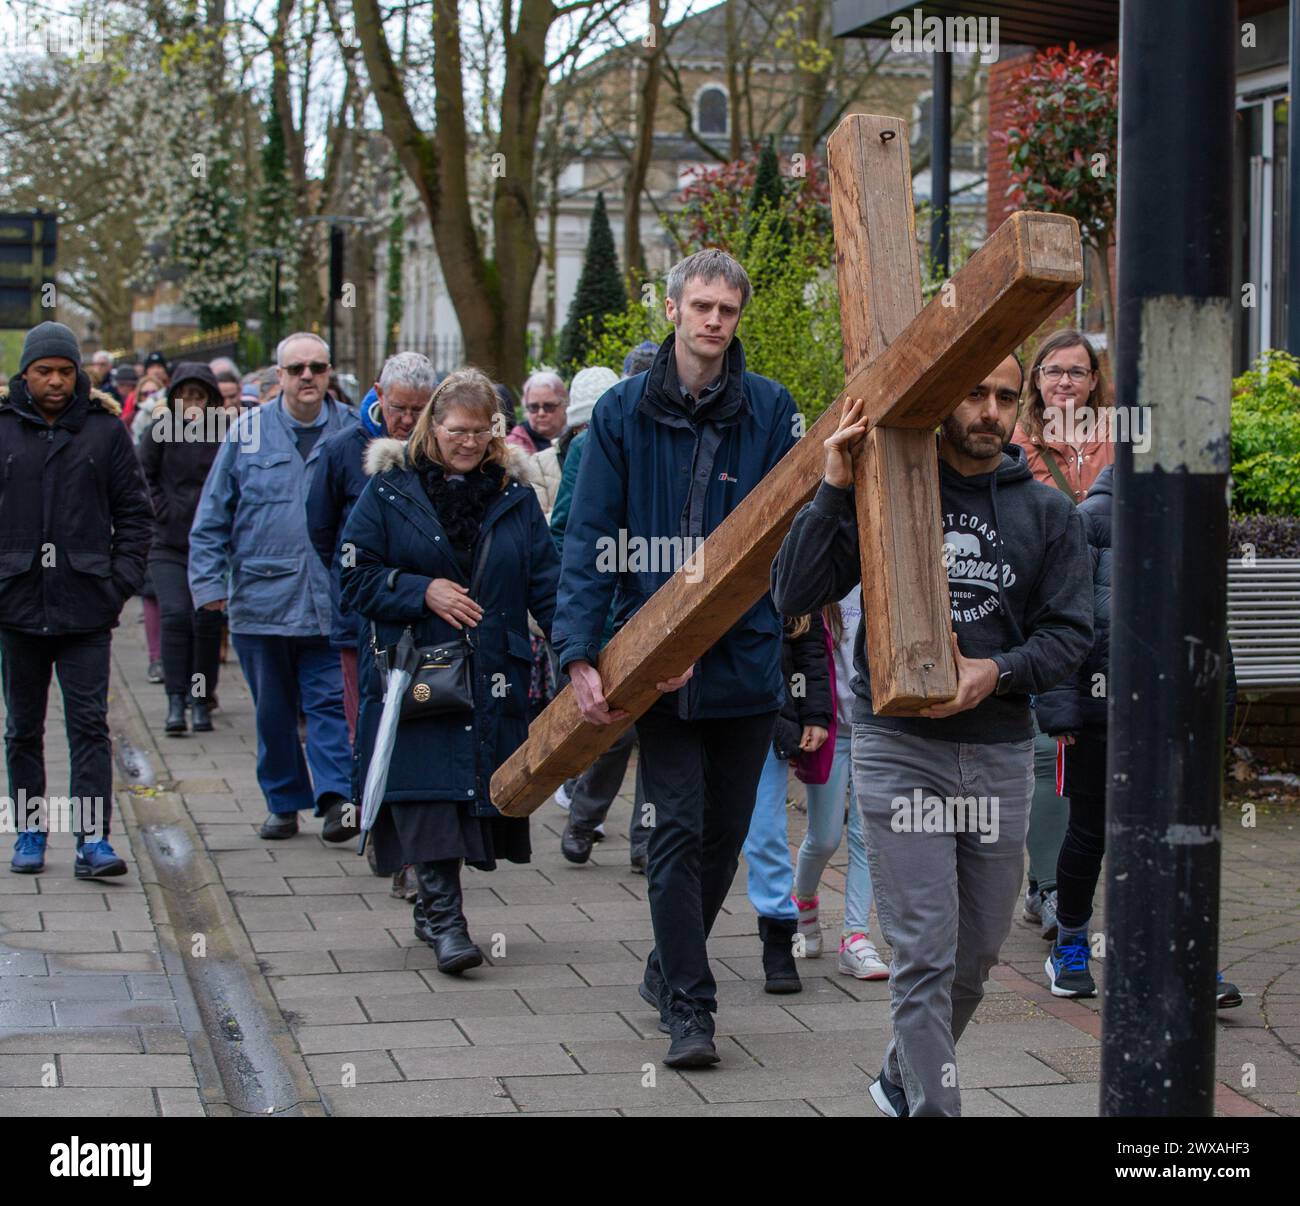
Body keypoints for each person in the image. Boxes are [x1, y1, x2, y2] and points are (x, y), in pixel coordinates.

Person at [772, 354, 1093, 1117]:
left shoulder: (1048, 514)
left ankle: (897, 1077)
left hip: (998, 747)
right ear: (946, 397)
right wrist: (833, 489)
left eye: (1005, 397)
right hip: (898, 745)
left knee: (976, 956)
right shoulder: (888, 488)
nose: (989, 409)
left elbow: (1071, 634)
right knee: (923, 952)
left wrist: (995, 672)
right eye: (974, 391)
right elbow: (792, 591)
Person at [552, 249, 800, 1068]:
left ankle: (668, 966)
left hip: (744, 666)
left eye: (727, 310)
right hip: (649, 664)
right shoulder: (621, 414)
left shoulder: (770, 411)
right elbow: (589, 538)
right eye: (700, 306)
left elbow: (780, 545)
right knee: (673, 831)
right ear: (671, 309)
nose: (713, 321)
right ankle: (692, 1010)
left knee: (722, 840)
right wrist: (580, 653)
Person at [340, 369, 560, 974]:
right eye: (456, 430)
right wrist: (420, 589)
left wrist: (582, 649)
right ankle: (446, 922)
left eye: (480, 431)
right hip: (416, 671)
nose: (468, 442)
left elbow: (549, 583)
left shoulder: (514, 497)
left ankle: (434, 908)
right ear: (432, 426)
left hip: (490, 670)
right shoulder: (389, 491)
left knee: (469, 795)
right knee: (430, 793)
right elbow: (353, 576)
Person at [1033, 466, 1243, 1010]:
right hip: (1099, 715)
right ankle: (1072, 946)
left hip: (1170, 720)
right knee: (1090, 834)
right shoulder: (1087, 522)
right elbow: (1058, 618)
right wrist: (1060, 712)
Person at [188, 332, 357, 842]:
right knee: (274, 710)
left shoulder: (352, 433)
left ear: (329, 373)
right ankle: (284, 801)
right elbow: (212, 518)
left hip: (332, 600)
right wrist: (207, 587)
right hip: (262, 600)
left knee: (329, 701)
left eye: (317, 367)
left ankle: (334, 799)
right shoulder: (246, 433)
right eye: (297, 368)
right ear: (278, 376)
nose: (308, 376)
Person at [2, 322, 153, 877]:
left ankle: (92, 840)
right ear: (26, 374)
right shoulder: (3, 429)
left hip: (86, 606)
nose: (57, 382)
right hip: (16, 605)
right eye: (45, 371)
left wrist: (119, 581)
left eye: (66, 371)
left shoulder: (104, 431)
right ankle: (29, 832)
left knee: (88, 726)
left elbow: (135, 513)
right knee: (22, 727)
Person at [1012, 329, 1112, 944]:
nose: (1065, 383)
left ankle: (1071, 887)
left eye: (1077, 372)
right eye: (1053, 372)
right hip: (1036, 616)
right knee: (1050, 754)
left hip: (1104, 623)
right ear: (1037, 381)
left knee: (1093, 762)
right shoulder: (1017, 447)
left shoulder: (1117, 443)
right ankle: (1047, 887)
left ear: (1095, 380)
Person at [307, 352, 436, 745]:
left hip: (428, 614)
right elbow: (322, 531)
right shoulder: (341, 450)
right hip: (360, 614)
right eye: (398, 408)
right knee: (365, 726)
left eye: (420, 408)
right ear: (378, 394)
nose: (409, 420)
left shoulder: (442, 451)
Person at [790, 587, 889, 980]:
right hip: (829, 732)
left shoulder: (879, 582)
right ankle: (804, 900)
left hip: (875, 727)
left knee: (868, 836)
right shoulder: (821, 587)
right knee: (824, 836)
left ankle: (855, 937)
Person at [742, 610, 832, 994]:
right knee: (696, 837)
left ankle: (778, 940)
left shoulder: (788, 560)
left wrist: (815, 713)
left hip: (766, 717)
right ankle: (680, 950)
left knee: (766, 834)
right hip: (698, 713)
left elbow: (808, 645)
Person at [138, 363, 228, 737]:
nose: (191, 403)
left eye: (199, 396)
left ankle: (200, 698)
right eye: (184, 395)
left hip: (209, 545)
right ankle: (176, 699)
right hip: (168, 543)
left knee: (206, 621)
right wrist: (162, 509)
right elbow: (141, 475)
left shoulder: (225, 433)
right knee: (175, 615)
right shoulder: (159, 431)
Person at [530, 367, 617, 522]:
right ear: (575, 427)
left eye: (603, 428)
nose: (592, 437)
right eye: (586, 427)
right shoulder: (541, 464)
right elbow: (535, 525)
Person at [506, 371, 567, 455]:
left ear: (564, 405)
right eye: (534, 407)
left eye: (548, 406)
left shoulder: (576, 436)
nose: (541, 413)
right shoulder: (513, 446)